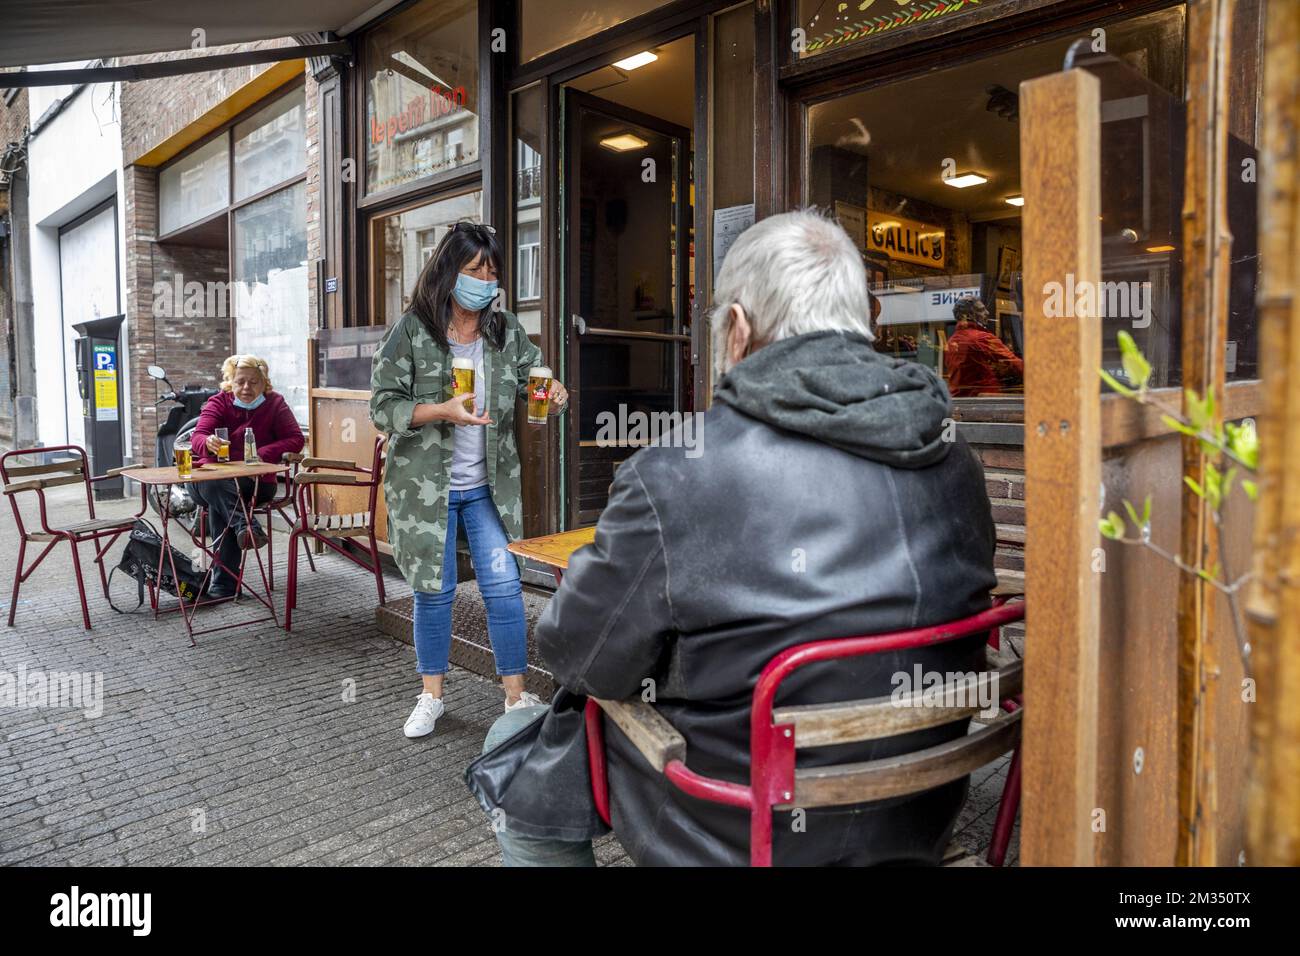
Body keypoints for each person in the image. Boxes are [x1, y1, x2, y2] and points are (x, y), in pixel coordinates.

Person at [467, 209, 999, 866]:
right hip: (919, 814)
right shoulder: (956, 457)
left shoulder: (677, 470)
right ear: (870, 318)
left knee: (518, 736)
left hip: (734, 826)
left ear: (740, 330)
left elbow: (579, 657)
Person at [370, 221, 569, 738]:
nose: (485, 279)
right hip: (424, 490)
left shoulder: (505, 332)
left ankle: (515, 694)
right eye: (474, 269)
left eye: (492, 271)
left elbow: (534, 380)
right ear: (448, 271)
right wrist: (440, 409)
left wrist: (553, 392)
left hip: (487, 488)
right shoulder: (412, 330)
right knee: (432, 592)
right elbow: (383, 407)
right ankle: (431, 695)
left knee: (503, 587)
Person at [190, 355, 305, 600]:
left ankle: (224, 586)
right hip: (214, 479)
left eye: (254, 382)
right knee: (217, 487)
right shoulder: (218, 403)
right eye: (240, 381)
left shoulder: (275, 404)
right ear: (230, 382)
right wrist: (207, 442)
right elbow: (198, 435)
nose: (246, 388)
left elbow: (296, 439)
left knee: (222, 504)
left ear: (264, 384)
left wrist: (263, 453)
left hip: (255, 481)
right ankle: (247, 527)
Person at [943, 296, 1024, 396]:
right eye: (981, 310)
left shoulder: (951, 342)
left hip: (959, 400)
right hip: (983, 400)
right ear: (968, 316)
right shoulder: (981, 338)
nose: (987, 313)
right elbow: (1015, 364)